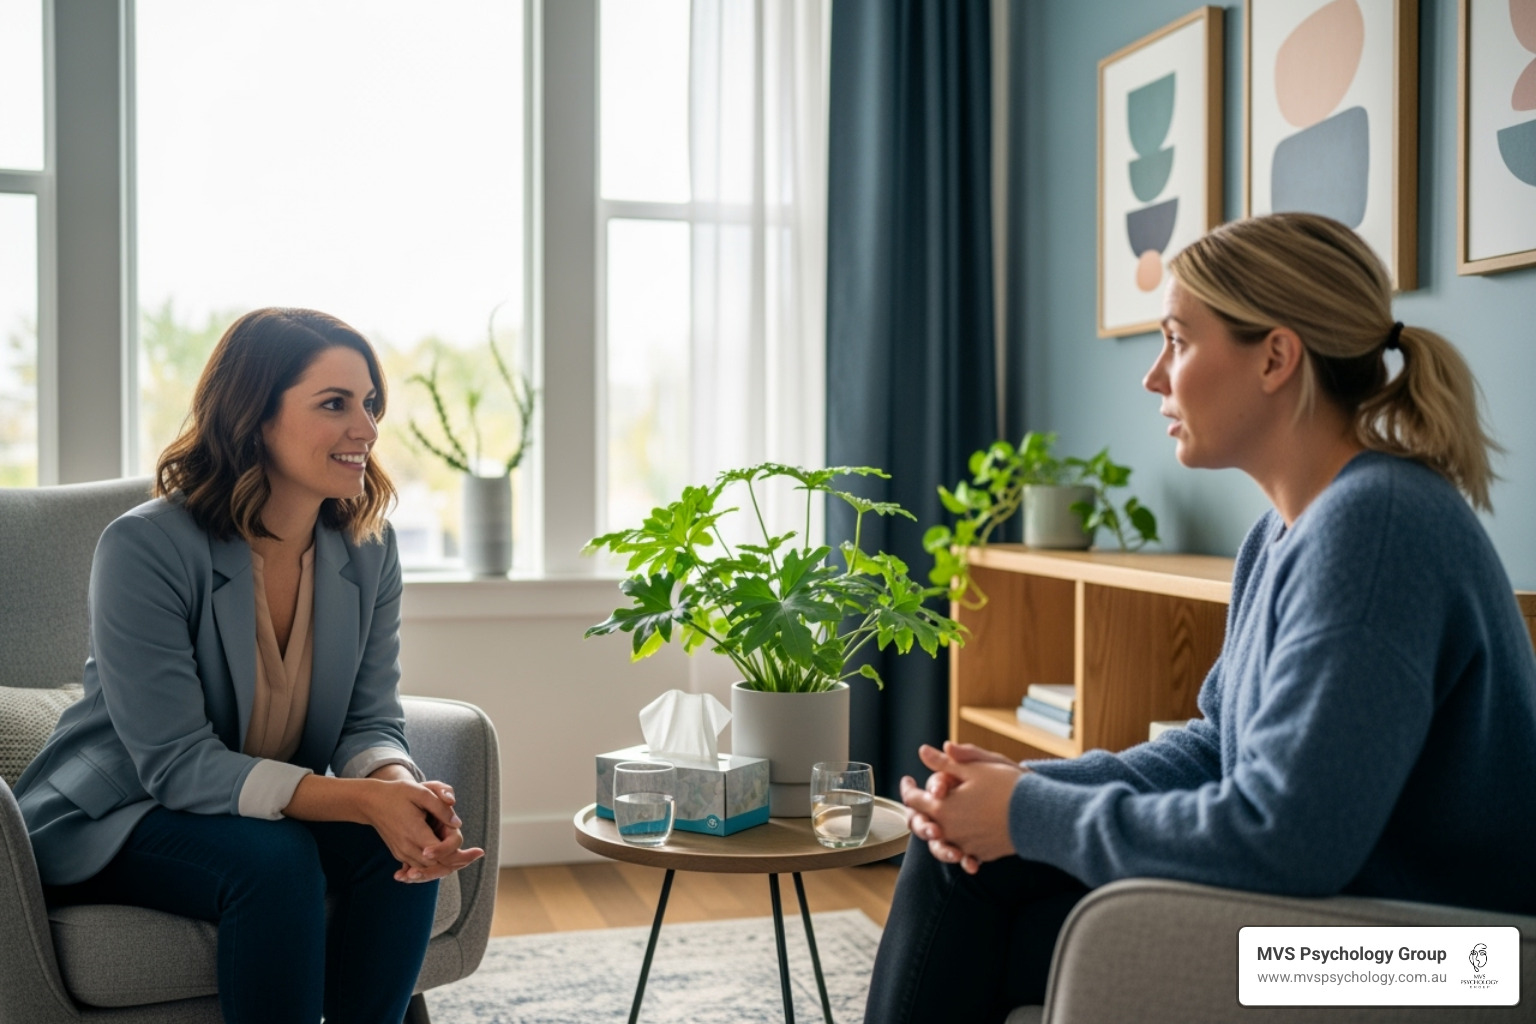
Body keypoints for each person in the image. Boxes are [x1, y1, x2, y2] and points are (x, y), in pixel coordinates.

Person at [863, 213, 1536, 1023]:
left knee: (1013, 905)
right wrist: (1020, 788)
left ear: (1277, 358)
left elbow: (1287, 836)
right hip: (1362, 921)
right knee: (972, 867)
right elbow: (1219, 746)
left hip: (1446, 961)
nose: (1154, 377)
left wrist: (1025, 814)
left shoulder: (1375, 526)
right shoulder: (1290, 529)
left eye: (1178, 340)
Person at [14, 308, 484, 1024]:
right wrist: (362, 803)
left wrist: (396, 789)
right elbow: (175, 763)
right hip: (118, 813)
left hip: (253, 811)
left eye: (370, 404)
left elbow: (369, 719)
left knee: (401, 848)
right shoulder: (145, 547)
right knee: (274, 862)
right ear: (254, 417)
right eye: (334, 404)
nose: (366, 428)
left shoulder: (368, 547)